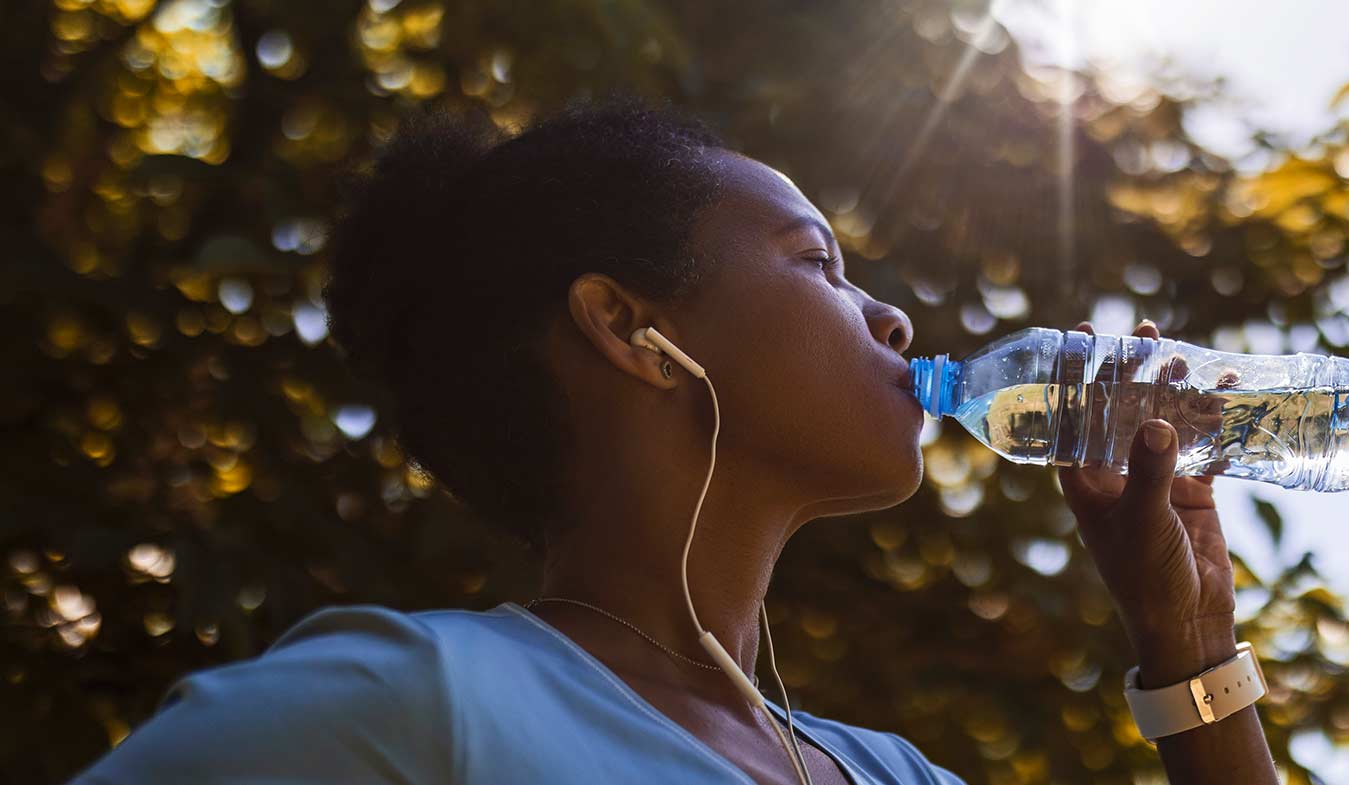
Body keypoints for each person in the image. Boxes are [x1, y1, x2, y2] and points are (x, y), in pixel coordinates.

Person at [71, 97, 1280, 785]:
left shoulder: (893, 776)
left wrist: (1189, 651)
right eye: (817, 262)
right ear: (632, 329)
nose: (893, 316)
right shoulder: (416, 707)